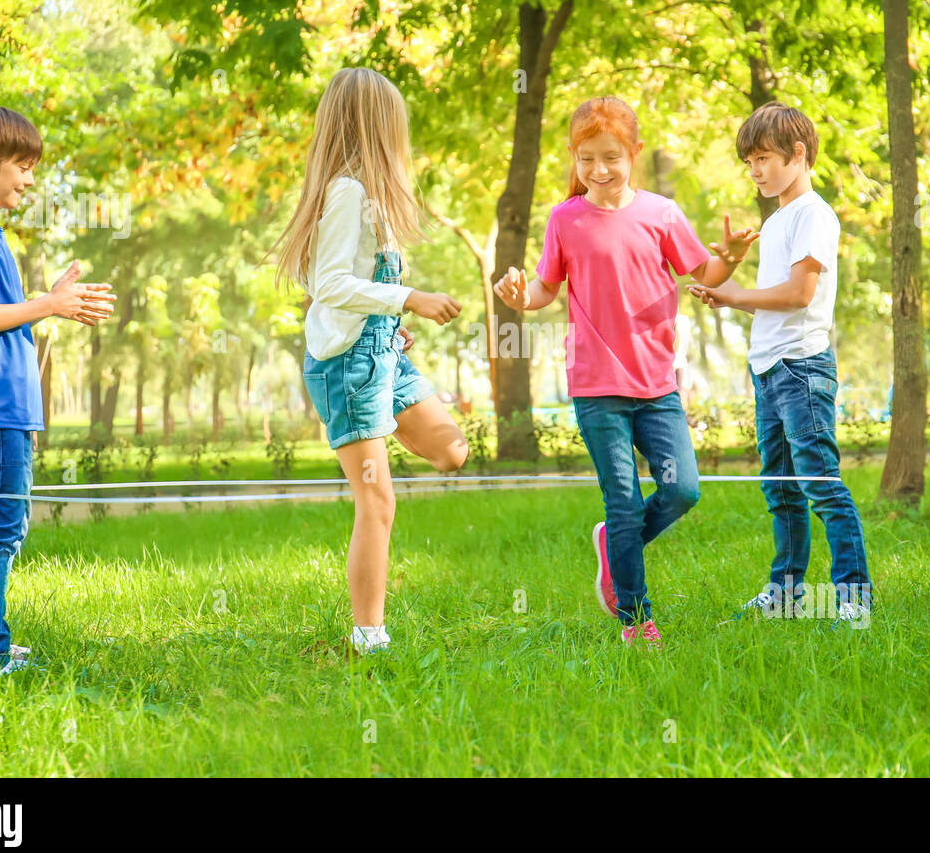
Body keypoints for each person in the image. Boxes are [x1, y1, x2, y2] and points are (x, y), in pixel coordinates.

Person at [494, 96, 758, 646]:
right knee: (621, 497)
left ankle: (614, 541)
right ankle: (636, 621)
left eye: (611, 156)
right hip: (595, 384)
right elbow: (546, 286)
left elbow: (703, 271)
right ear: (574, 158)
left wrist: (730, 257)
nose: (598, 170)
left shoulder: (661, 213)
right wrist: (521, 298)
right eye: (586, 158)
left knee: (682, 490)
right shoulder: (566, 218)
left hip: (657, 382)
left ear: (634, 153)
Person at [272, 68, 469, 655]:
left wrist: (390, 321)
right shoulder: (347, 193)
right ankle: (369, 635)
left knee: (450, 450)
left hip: (382, 352)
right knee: (377, 501)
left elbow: (348, 286)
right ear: (376, 128)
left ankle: (375, 431)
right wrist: (410, 298)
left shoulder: (370, 196)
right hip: (348, 368)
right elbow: (331, 283)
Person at [0, 104, 117, 673]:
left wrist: (48, 298)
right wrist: (50, 304)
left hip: (6, 404)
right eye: (22, 167)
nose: (30, 179)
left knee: (6, 524)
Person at [689, 101, 874, 624]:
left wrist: (735, 296)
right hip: (769, 368)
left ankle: (853, 596)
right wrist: (728, 271)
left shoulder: (814, 214)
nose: (756, 172)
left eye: (764, 159)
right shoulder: (776, 222)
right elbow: (756, 288)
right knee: (781, 488)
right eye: (749, 162)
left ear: (798, 153)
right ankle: (788, 594)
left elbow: (798, 294)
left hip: (802, 367)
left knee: (820, 484)